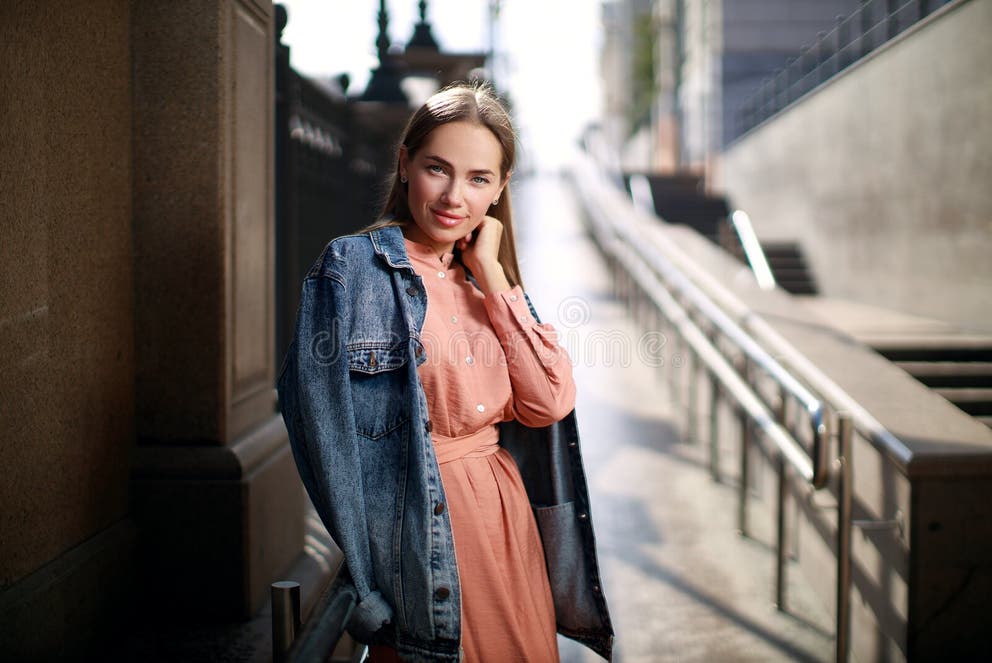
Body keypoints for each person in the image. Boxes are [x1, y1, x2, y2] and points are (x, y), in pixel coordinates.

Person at [277, 82, 613, 662]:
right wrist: (366, 574)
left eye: (479, 178)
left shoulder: (487, 282)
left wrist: (495, 278)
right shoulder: (352, 269)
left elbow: (550, 401)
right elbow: (322, 435)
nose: (455, 196)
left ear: (501, 187)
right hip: (419, 528)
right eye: (438, 168)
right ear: (405, 164)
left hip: (507, 522)